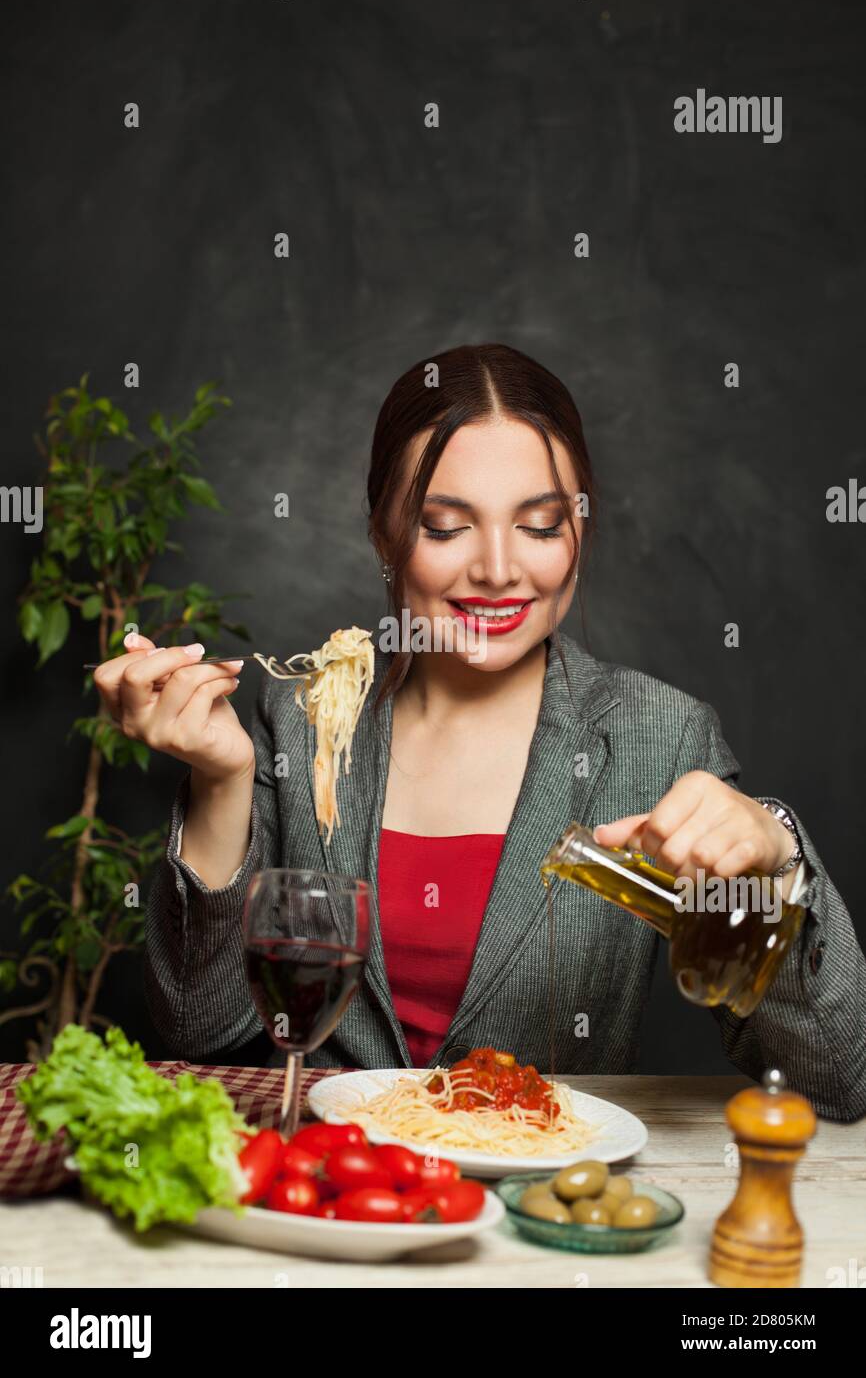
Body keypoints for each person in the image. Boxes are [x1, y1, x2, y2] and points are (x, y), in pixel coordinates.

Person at [93, 343, 866, 1121]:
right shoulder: (303, 716)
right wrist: (221, 780)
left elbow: (836, 1080)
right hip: (336, 1198)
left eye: (539, 526)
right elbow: (200, 1029)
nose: (499, 570)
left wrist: (777, 857)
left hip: (547, 1212)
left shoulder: (661, 738)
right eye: (445, 527)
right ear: (383, 534)